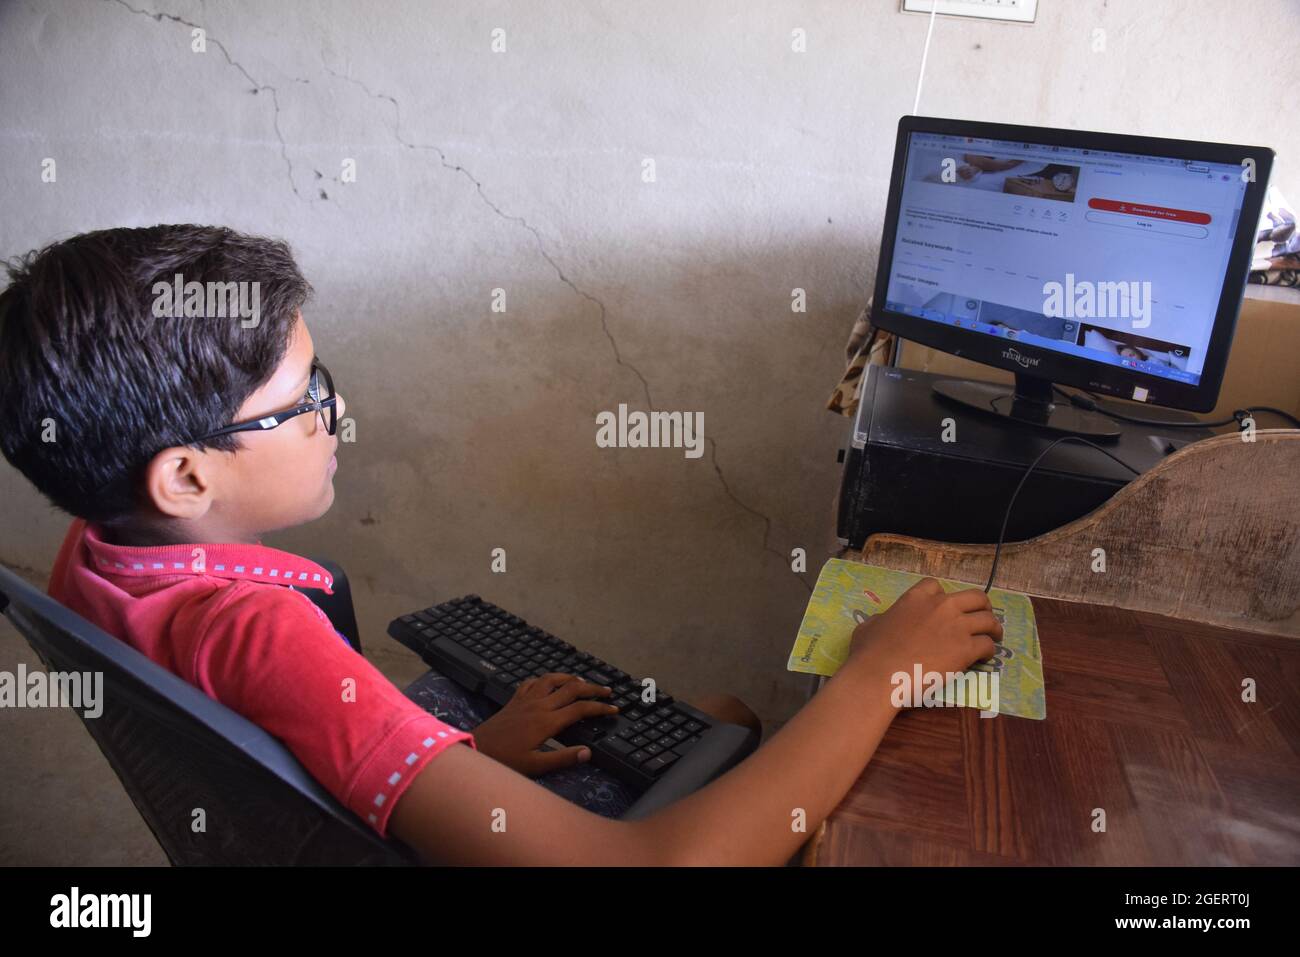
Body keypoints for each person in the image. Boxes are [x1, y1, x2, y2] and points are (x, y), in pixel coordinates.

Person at [0, 225, 1002, 865]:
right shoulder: (266, 636)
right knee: (736, 724)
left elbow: (282, 737)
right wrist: (882, 673)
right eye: (300, 401)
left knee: (703, 724)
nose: (337, 407)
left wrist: (463, 753)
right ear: (185, 477)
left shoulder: (94, 549)